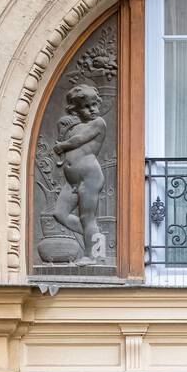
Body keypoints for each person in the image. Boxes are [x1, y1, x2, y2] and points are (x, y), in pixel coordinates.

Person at [53, 83, 106, 261]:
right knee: (59, 214)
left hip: (89, 177)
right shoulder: (75, 124)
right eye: (86, 106)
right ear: (75, 109)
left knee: (86, 217)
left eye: (94, 105)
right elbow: (66, 129)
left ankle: (93, 255)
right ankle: (97, 239)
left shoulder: (99, 123)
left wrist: (62, 146)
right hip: (72, 181)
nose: (92, 109)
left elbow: (78, 140)